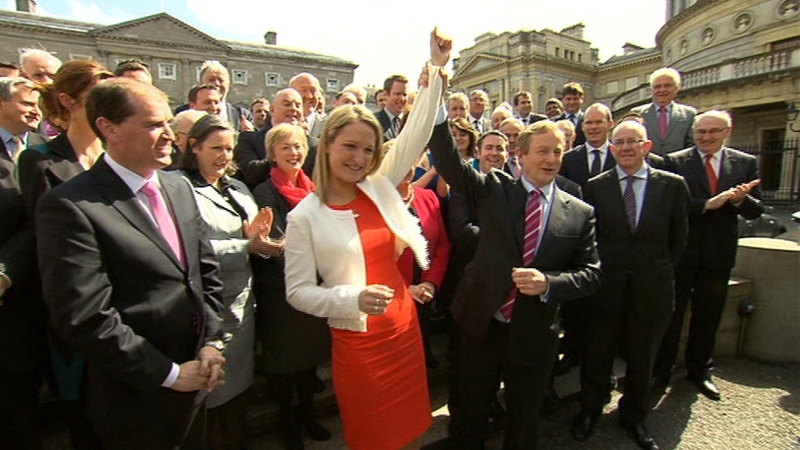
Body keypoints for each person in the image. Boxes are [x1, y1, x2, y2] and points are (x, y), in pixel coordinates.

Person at [35, 77, 227, 450]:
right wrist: (170, 374)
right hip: (133, 398)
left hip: (197, 381)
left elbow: (205, 274)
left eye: (169, 123)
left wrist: (211, 343)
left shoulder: (178, 187)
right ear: (108, 127)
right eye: (154, 124)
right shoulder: (71, 205)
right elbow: (84, 316)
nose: (169, 134)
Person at [283, 28, 450, 450]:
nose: (359, 158)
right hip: (358, 342)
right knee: (373, 436)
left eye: (368, 150)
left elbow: (416, 135)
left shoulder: (378, 186)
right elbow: (298, 292)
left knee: (411, 432)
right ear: (327, 147)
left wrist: (437, 68)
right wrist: (349, 299)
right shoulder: (305, 215)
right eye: (350, 147)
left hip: (403, 329)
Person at [430, 117, 602, 450]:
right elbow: (449, 161)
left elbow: (592, 273)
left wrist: (549, 283)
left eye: (557, 151)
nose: (550, 159)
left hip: (535, 332)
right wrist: (437, 94)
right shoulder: (494, 188)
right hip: (482, 324)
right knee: (471, 414)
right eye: (542, 151)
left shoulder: (580, 212)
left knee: (524, 420)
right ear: (520, 155)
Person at [573, 121, 689, 450]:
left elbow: (678, 240)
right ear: (611, 149)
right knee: (597, 355)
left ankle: (635, 417)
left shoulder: (673, 185)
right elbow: (590, 241)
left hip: (652, 290)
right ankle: (590, 410)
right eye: (619, 142)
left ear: (646, 146)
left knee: (642, 359)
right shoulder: (595, 187)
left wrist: (653, 271)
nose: (625, 148)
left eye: (632, 142)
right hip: (605, 290)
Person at [17, 60, 113, 449]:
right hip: (77, 308)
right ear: (67, 101)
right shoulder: (40, 161)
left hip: (124, 299)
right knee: (86, 418)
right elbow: (43, 241)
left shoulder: (115, 156)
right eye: (95, 98)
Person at [177, 114, 272, 450]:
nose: (224, 156)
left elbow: (254, 236)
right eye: (216, 148)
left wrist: (264, 246)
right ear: (194, 147)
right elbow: (188, 249)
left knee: (235, 400)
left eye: (229, 148)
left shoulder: (239, 186)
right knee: (209, 401)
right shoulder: (178, 188)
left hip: (243, 305)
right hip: (205, 310)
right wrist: (249, 245)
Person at [653, 110, 762, 401]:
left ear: (727, 131)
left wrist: (740, 200)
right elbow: (670, 206)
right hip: (682, 253)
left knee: (708, 316)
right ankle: (660, 371)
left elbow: (756, 210)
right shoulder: (676, 162)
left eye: (713, 131)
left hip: (718, 256)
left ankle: (699, 370)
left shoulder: (745, 163)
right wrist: (706, 204)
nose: (706, 137)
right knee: (671, 316)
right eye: (701, 132)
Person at [251, 123, 332, 449]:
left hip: (313, 286)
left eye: (298, 146)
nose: (293, 153)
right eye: (285, 147)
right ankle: (289, 426)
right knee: (284, 364)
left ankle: (308, 416)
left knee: (308, 362)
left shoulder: (315, 189)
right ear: (272, 153)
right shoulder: (265, 192)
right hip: (282, 292)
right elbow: (277, 243)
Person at [0, 76, 45, 450]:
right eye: (26, 101)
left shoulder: (41, 152)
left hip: (25, 294)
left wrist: (5, 272)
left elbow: (37, 222)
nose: (36, 109)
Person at [393, 140, 451, 370]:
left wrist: (430, 283)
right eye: (398, 162)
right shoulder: (374, 204)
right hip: (394, 295)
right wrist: (404, 288)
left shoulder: (428, 197)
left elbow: (443, 246)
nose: (405, 167)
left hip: (425, 291)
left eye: (409, 161)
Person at [631, 67, 697, 155]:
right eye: (657, 86)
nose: (662, 90)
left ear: (676, 88)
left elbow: (691, 146)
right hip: (648, 165)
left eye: (667, 85)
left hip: (677, 167)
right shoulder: (637, 114)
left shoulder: (689, 114)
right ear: (652, 90)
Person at [175, 60, 254, 132]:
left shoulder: (242, 114)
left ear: (228, 84)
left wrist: (249, 133)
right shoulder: (183, 112)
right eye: (211, 79)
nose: (217, 83)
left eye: (221, 80)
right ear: (201, 83)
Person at [374, 74, 409, 140]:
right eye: (397, 94)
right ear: (385, 94)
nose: (402, 98)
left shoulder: (410, 122)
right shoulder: (374, 122)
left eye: (404, 94)